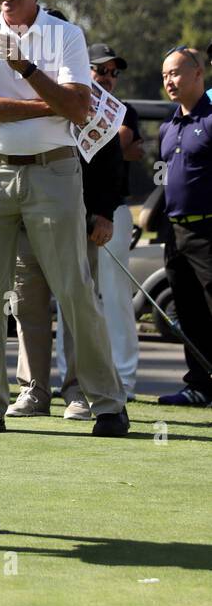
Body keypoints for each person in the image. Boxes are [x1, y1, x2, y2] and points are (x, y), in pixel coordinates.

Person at [0, 0, 129, 438]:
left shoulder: (66, 36)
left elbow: (79, 108)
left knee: (75, 289)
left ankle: (107, 403)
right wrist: (45, 102)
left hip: (54, 172)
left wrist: (27, 68)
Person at [78, 44, 143, 401]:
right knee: (74, 294)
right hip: (72, 211)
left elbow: (122, 141)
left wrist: (121, 143)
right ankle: (73, 379)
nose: (107, 78)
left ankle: (125, 379)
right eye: (100, 70)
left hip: (112, 212)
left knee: (115, 295)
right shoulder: (67, 103)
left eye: (113, 73)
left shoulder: (124, 110)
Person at [156, 46, 212, 407]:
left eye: (175, 73)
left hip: (208, 232)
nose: (169, 82)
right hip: (174, 233)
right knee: (189, 314)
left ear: (197, 74)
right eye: (164, 76)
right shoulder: (168, 125)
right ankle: (199, 385)